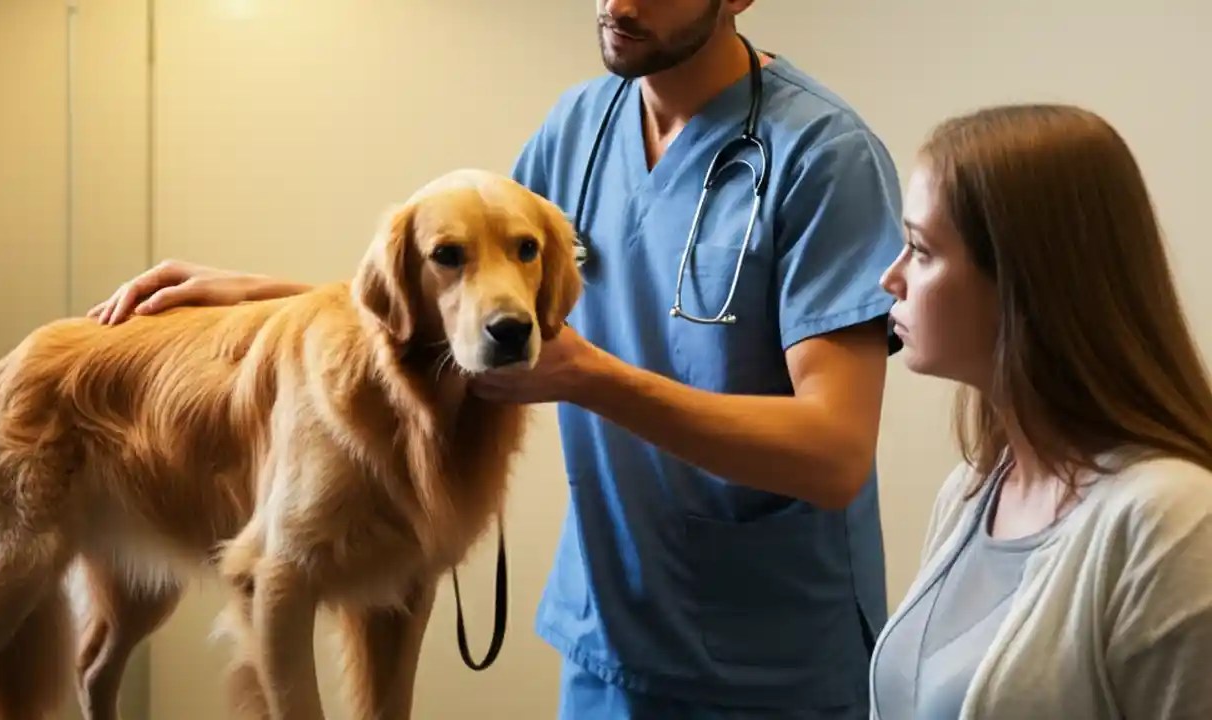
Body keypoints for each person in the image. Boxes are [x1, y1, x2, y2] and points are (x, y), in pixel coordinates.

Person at [89, 1, 905, 716]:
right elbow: (469, 306)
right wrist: (263, 295)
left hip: (771, 661)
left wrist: (590, 379)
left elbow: (833, 454)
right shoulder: (582, 128)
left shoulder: (823, 158)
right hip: (609, 637)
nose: (617, 4)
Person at [871, 103, 1212, 719]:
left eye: (920, 250)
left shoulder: (1172, 520)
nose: (891, 278)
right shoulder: (971, 492)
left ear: (1022, 279)